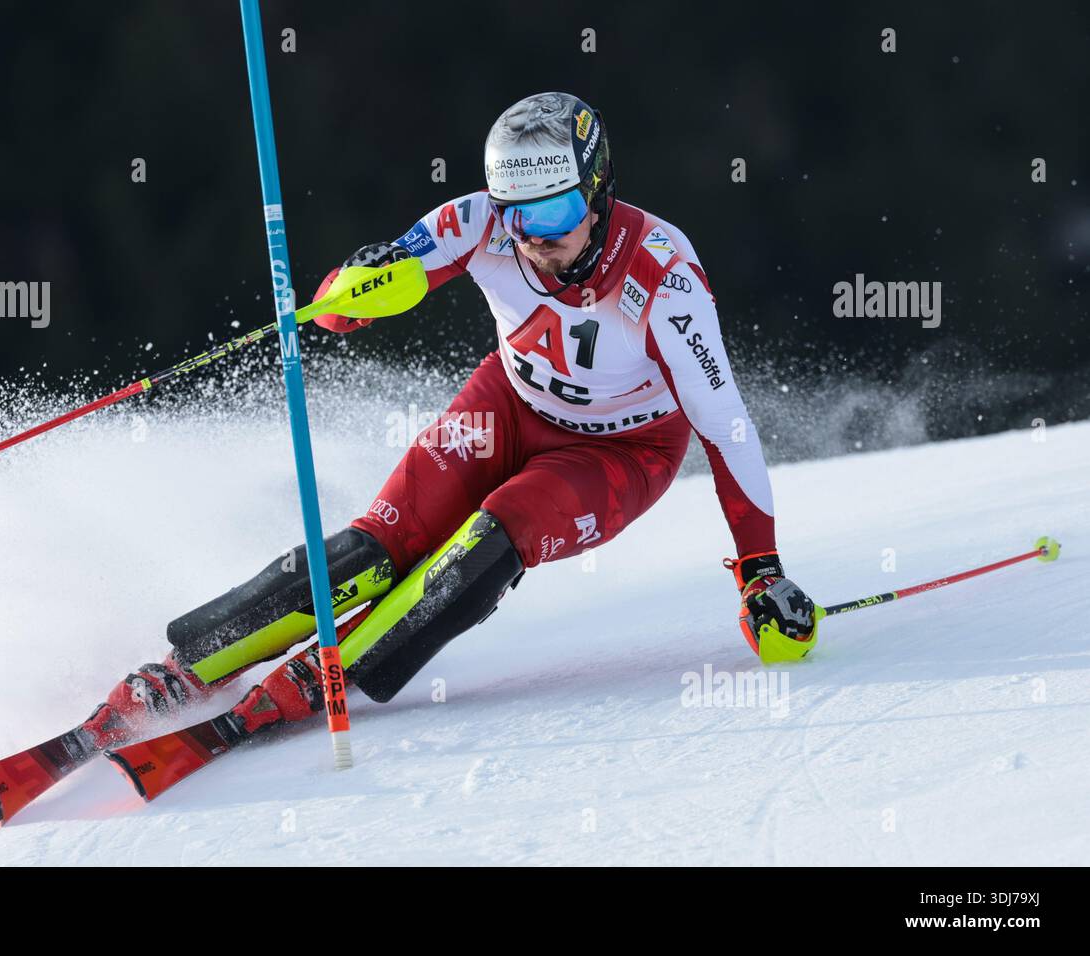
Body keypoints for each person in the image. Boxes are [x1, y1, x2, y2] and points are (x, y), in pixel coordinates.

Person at [76, 91, 819, 753]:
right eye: (518, 214)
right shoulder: (477, 221)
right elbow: (339, 310)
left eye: (555, 212)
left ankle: (317, 678)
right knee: (376, 548)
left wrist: (761, 571)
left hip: (621, 451)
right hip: (508, 404)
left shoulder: (664, 275)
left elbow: (726, 426)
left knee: (495, 535)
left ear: (598, 191)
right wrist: (360, 285)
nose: (532, 237)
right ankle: (183, 670)